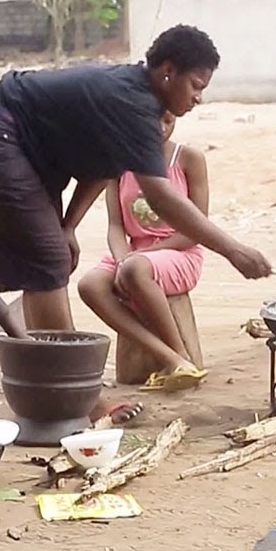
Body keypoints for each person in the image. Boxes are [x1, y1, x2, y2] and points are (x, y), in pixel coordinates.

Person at [0, 25, 271, 424]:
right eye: (196, 85)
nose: (199, 98)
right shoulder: (132, 102)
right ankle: (81, 399)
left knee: (49, 259)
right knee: (46, 264)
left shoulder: (134, 98)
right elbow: (162, 197)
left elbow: (102, 165)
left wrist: (69, 226)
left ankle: (44, 376)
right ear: (167, 72)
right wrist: (233, 249)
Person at [78, 111, 209, 392]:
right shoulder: (119, 166)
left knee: (136, 269)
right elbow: (115, 226)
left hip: (179, 252)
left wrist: (134, 262)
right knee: (90, 285)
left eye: (169, 121)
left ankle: (182, 358)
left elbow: (195, 230)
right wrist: (123, 257)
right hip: (133, 254)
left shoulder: (188, 160)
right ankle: (169, 357)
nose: (161, 128)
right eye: (153, 120)